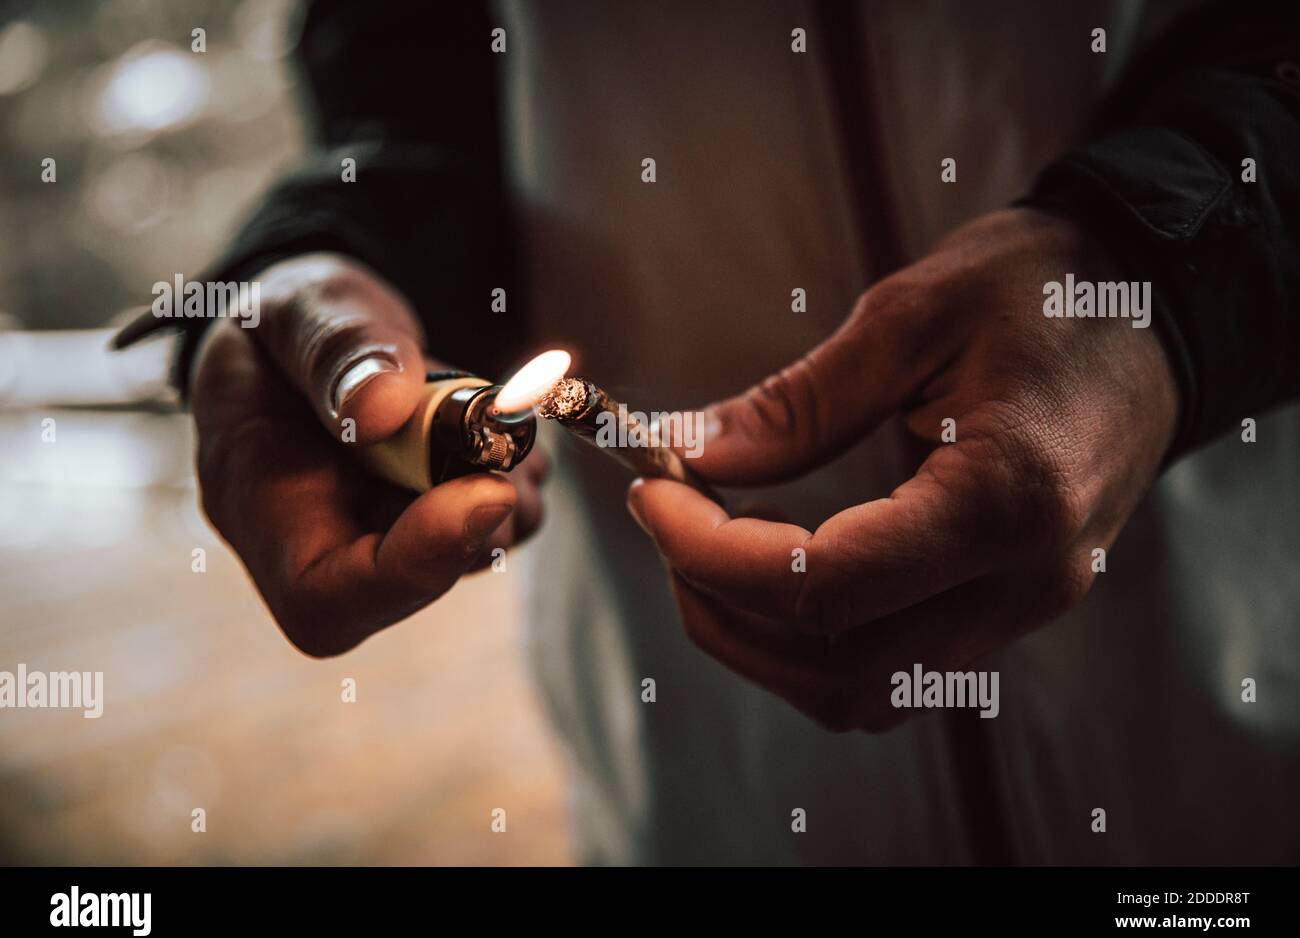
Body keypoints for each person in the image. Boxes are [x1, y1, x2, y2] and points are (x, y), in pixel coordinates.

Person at [116, 0, 1300, 864]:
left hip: (1235, 752)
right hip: (703, 790)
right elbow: (408, 64)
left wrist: (1164, 274)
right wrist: (348, 244)